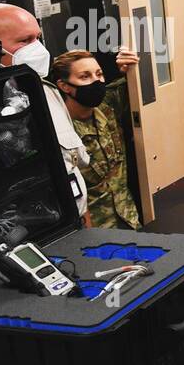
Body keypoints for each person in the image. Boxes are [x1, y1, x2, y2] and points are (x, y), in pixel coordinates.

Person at [0, 4, 133, 226]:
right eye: (25, 41)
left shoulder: (45, 91)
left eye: (38, 38)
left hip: (70, 221)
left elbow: (72, 166)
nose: (38, 48)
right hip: (13, 232)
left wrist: (84, 218)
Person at [50, 50, 142, 230]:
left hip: (129, 220)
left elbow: (140, 87)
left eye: (99, 74)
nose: (96, 81)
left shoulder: (107, 106)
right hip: (96, 230)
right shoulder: (61, 129)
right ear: (64, 86)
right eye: (85, 76)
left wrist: (129, 66)